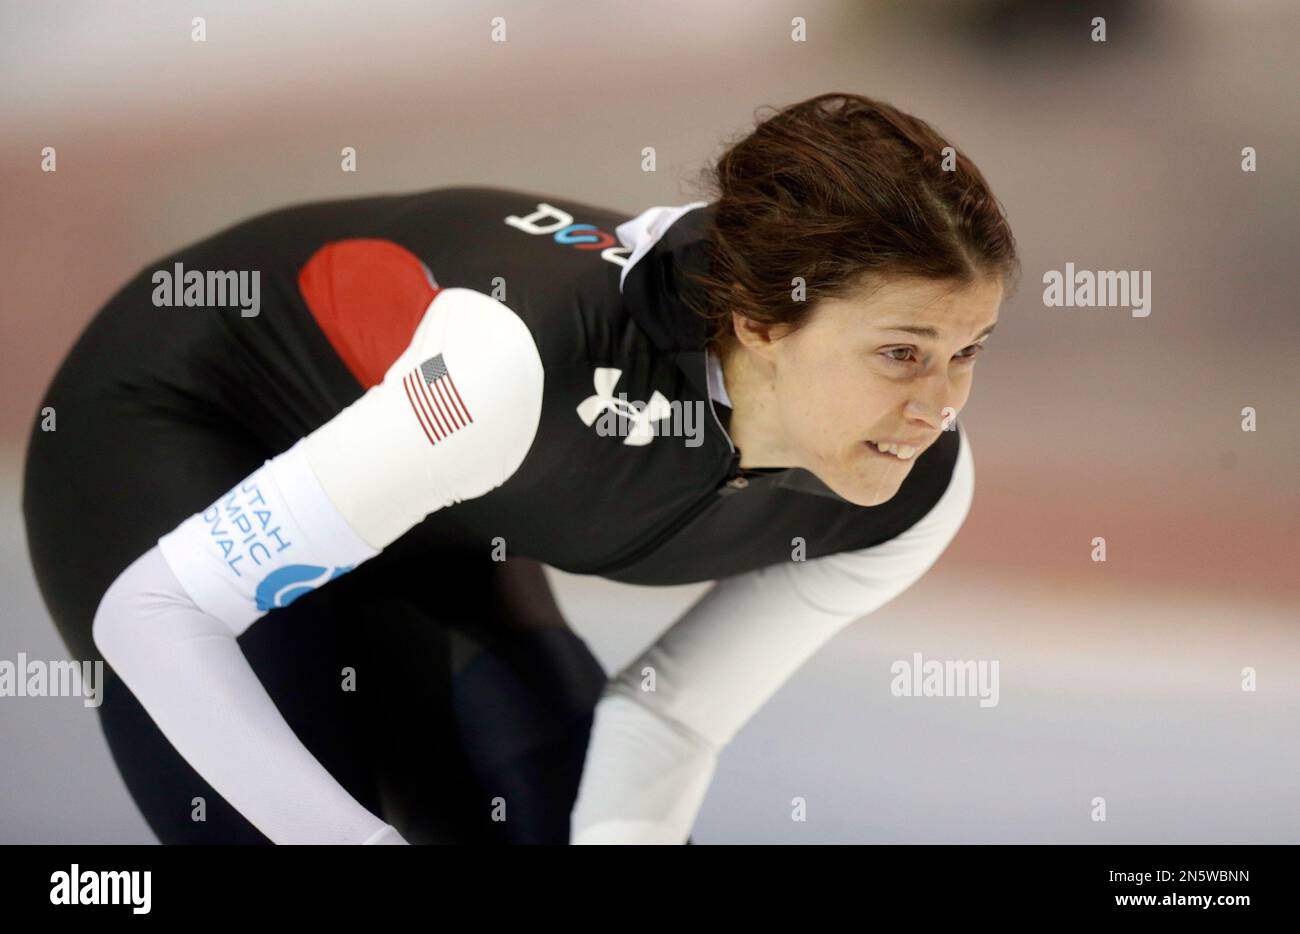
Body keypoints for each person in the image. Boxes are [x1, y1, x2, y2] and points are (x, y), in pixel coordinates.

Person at [22, 92, 1018, 844]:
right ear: (761, 323)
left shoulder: (911, 497)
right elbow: (158, 615)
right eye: (901, 353)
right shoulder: (517, 367)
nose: (937, 406)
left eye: (967, 350)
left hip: (435, 503)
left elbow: (669, 714)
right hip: (198, 422)